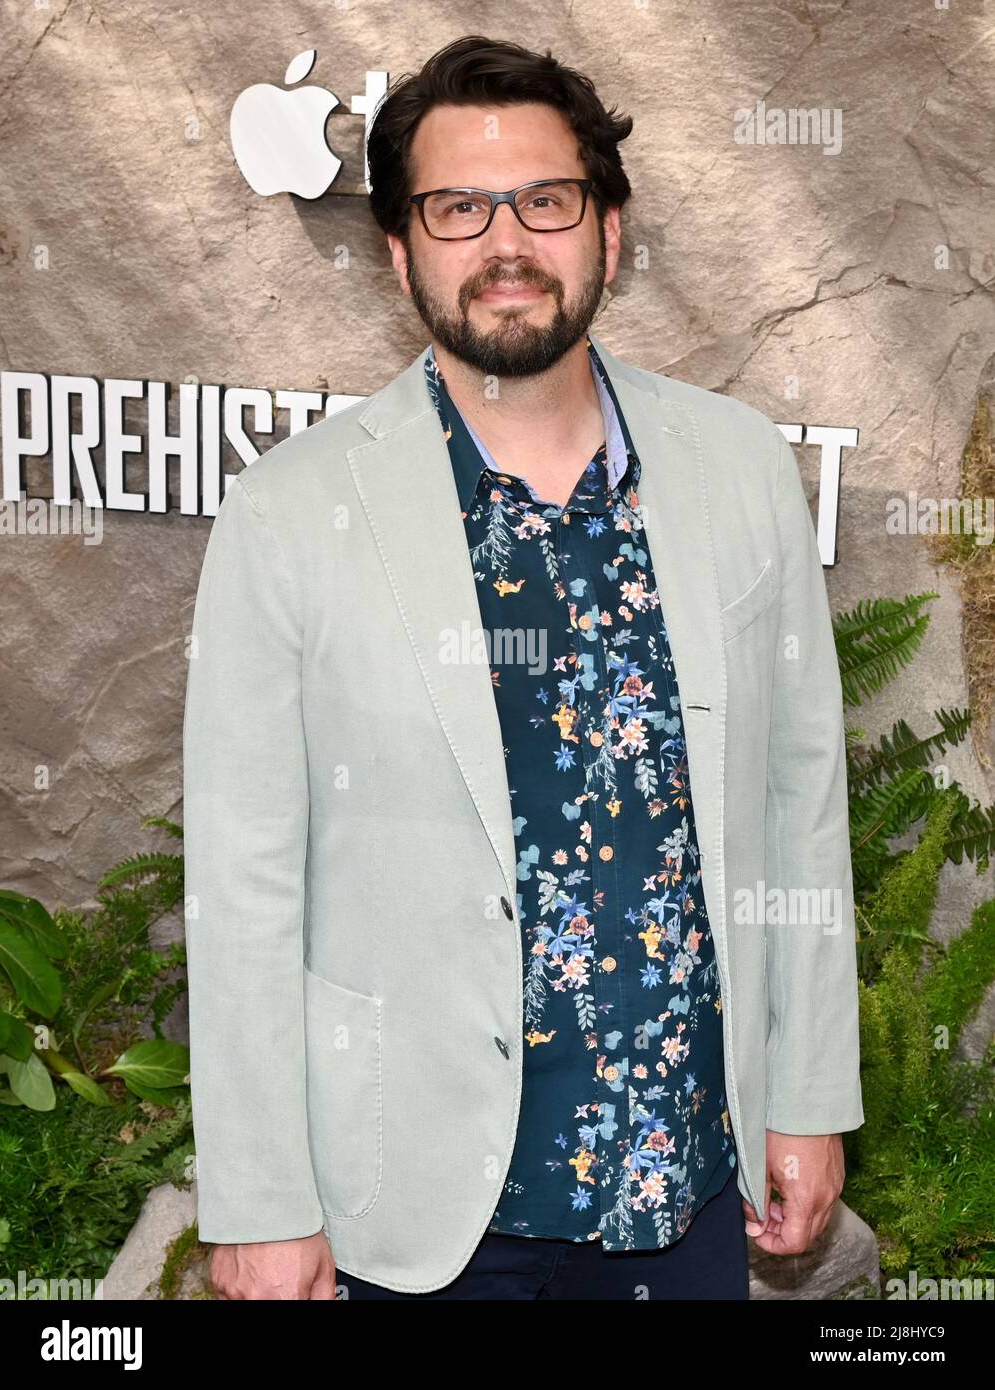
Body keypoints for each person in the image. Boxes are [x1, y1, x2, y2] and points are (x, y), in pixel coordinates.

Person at [182, 34, 863, 1301]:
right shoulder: (289, 514)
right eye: (457, 208)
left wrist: (810, 1092)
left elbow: (798, 807)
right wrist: (261, 1196)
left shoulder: (737, 468)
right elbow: (242, 886)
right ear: (399, 249)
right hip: (415, 1213)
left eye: (545, 200)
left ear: (607, 225)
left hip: (687, 1183)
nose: (506, 242)